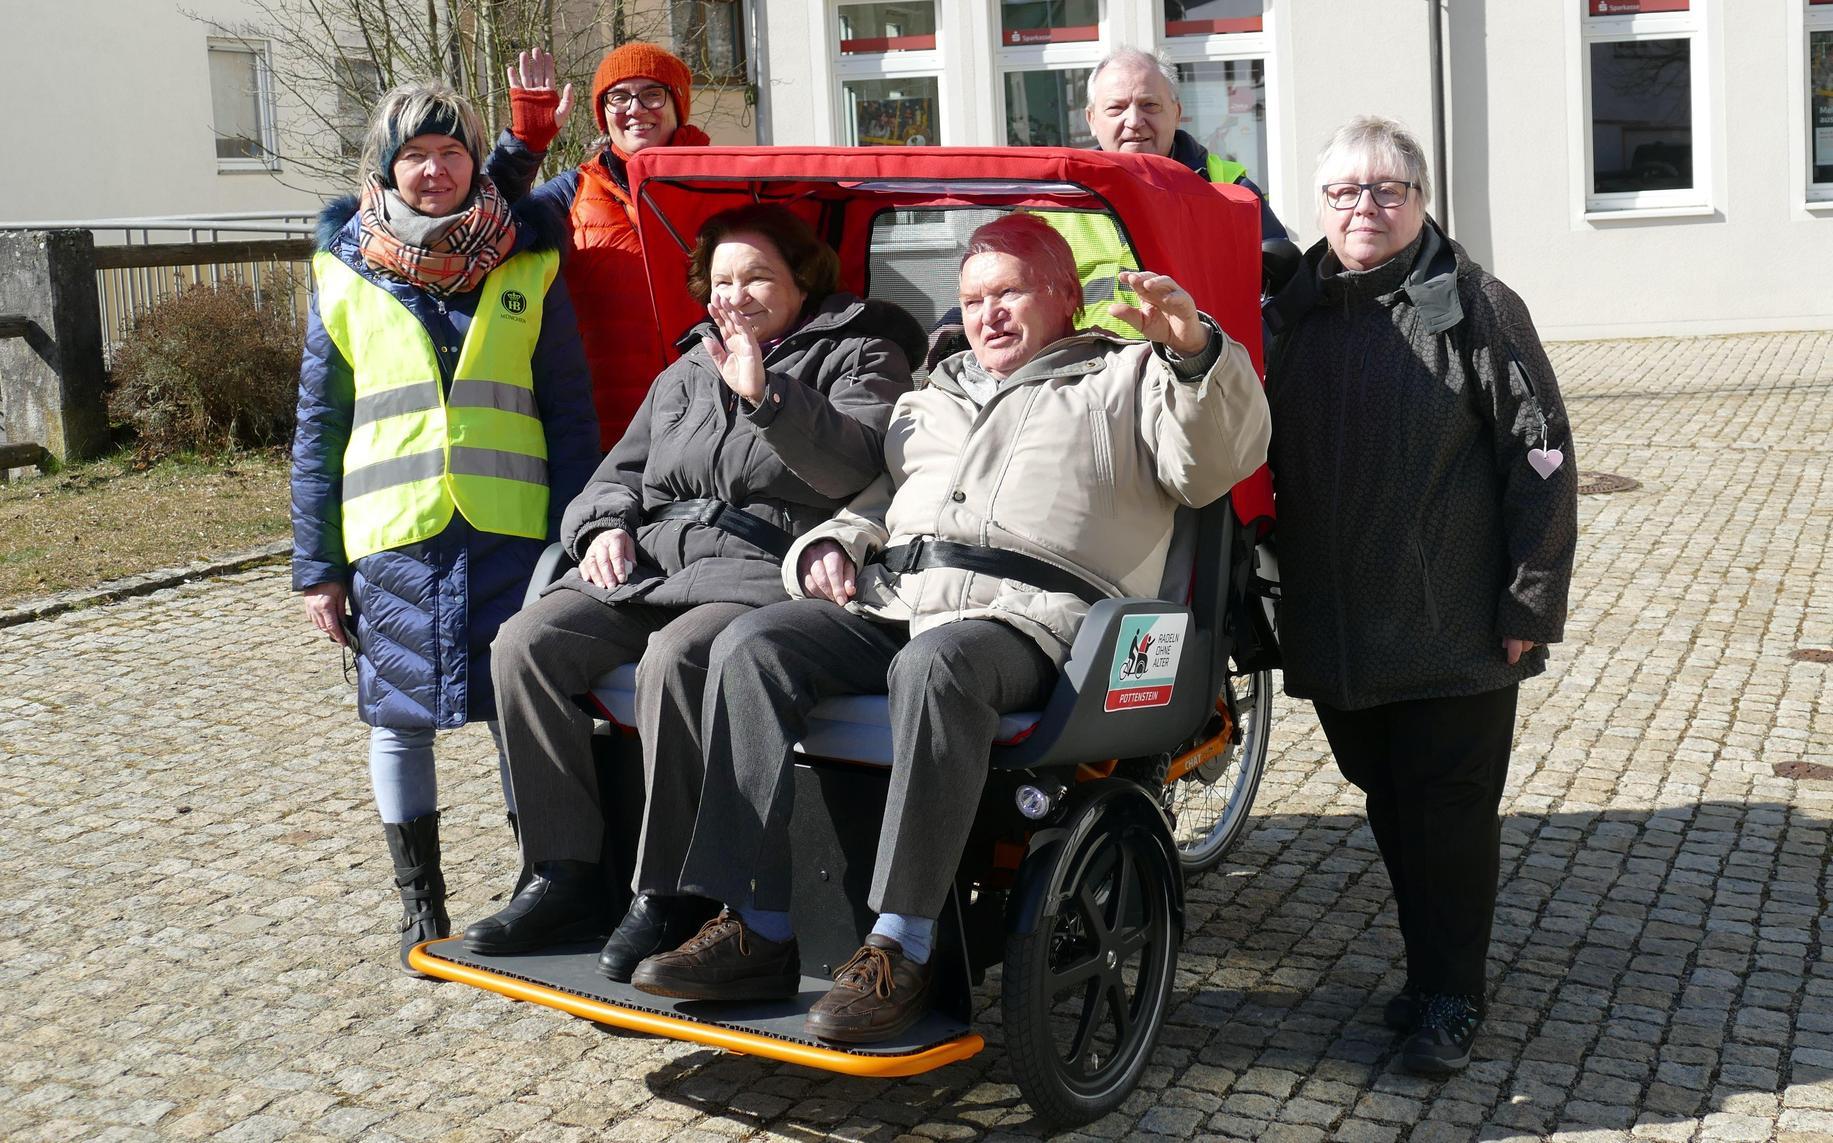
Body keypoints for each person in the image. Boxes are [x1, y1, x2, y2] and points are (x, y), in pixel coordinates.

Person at [628, 214, 1270, 1043]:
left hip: (1036, 626)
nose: (987, 314)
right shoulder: (929, 399)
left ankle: (903, 943)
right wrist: (836, 540)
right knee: (751, 645)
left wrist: (1190, 348)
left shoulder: (1125, 378)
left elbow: (1214, 458)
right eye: (972, 299)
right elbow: (878, 505)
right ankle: (756, 924)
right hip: (904, 602)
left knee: (936, 664)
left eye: (1009, 293)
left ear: (1066, 296)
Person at [460, 204, 922, 979]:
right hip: (653, 558)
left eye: (757, 278)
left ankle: (670, 891)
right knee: (524, 644)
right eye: (722, 280)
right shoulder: (683, 369)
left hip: (758, 566)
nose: (735, 295)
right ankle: (562, 872)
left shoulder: (861, 354)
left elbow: (858, 465)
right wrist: (601, 527)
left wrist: (767, 395)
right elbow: (618, 475)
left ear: (802, 280)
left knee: (676, 658)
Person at [1260, 116, 1577, 1075]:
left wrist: (1527, 604)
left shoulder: (1476, 305)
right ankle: (1427, 969)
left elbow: (1543, 456)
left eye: (1387, 190)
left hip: (1451, 631)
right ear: (1320, 205)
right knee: (1391, 806)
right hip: (1340, 626)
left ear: (1419, 201)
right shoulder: (1290, 308)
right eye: (1346, 192)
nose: (1365, 206)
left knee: (1445, 814)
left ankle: (1452, 992)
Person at [292, 79, 599, 975]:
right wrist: (318, 566)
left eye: (452, 152)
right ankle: (419, 900)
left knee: (522, 713)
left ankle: (537, 886)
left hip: (514, 532)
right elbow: (319, 427)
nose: (434, 171)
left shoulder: (528, 263)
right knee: (397, 720)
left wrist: (578, 535)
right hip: (393, 533)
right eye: (414, 156)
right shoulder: (343, 271)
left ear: (476, 164)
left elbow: (569, 412)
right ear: (384, 170)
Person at [486, 43, 713, 451]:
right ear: (603, 112)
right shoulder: (572, 193)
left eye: (652, 94)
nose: (634, 108)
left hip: (711, 426)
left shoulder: (722, 187)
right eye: (618, 96)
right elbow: (487, 228)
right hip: (607, 439)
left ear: (678, 104)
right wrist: (523, 147)